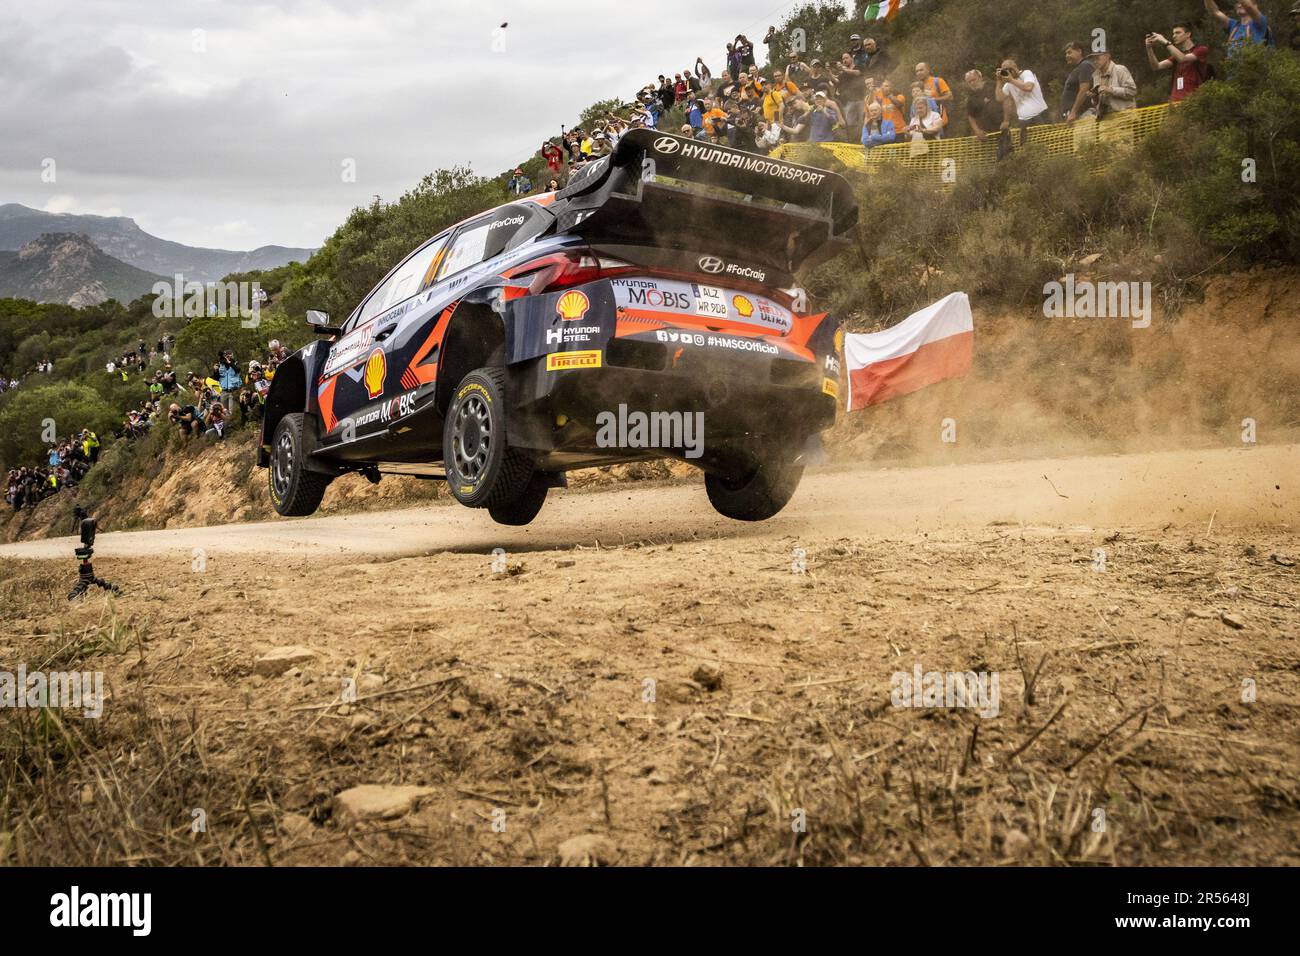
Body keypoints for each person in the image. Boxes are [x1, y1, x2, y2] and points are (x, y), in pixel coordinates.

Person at [995, 59, 1049, 157]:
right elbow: (999, 98)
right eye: (1004, 70)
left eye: (1008, 69)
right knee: (1026, 149)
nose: (1007, 72)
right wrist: (999, 81)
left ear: (1015, 67)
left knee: (1045, 145)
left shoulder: (1026, 73)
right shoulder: (1008, 83)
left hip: (1039, 115)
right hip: (1024, 120)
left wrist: (1011, 80)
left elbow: (1028, 87)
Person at [1146, 25, 1212, 102]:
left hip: (1194, 101)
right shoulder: (1176, 56)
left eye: (1178, 33)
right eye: (1173, 33)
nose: (1174, 36)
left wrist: (1165, 42)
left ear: (1188, 34)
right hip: (1175, 101)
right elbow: (1156, 66)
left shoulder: (1201, 49)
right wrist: (1149, 48)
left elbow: (1183, 59)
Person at [1204, 0, 1274, 53]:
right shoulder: (1233, 25)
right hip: (1234, 71)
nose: (1239, 5)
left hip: (1254, 70)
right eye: (1238, 3)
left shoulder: (1260, 23)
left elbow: (1249, 6)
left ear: (1255, 6)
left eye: (1242, 3)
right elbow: (1214, 11)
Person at [1088, 50, 1137, 117]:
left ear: (1107, 56)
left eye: (1097, 58)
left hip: (1125, 117)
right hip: (1106, 120)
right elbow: (1096, 103)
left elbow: (1132, 91)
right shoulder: (1095, 75)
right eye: (1093, 59)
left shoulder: (1120, 69)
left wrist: (1111, 90)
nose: (1095, 61)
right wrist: (1094, 97)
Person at [964, 70, 1008, 142]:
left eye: (973, 80)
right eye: (969, 82)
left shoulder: (993, 85)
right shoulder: (971, 97)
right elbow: (971, 116)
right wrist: (977, 130)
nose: (972, 83)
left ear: (980, 78)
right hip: (986, 133)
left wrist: (1006, 120)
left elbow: (1006, 101)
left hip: (1003, 127)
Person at [1061, 42, 1096, 122]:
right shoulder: (1079, 68)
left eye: (1069, 52)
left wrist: (1073, 112)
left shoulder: (1085, 66)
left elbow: (1084, 90)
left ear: (1079, 51)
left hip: (1085, 114)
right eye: (1066, 54)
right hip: (1077, 116)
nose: (1067, 56)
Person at [914, 62, 953, 130]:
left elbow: (950, 96)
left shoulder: (938, 81)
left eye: (921, 70)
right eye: (917, 71)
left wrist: (933, 99)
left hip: (940, 122)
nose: (919, 72)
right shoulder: (917, 86)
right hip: (923, 124)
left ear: (928, 70)